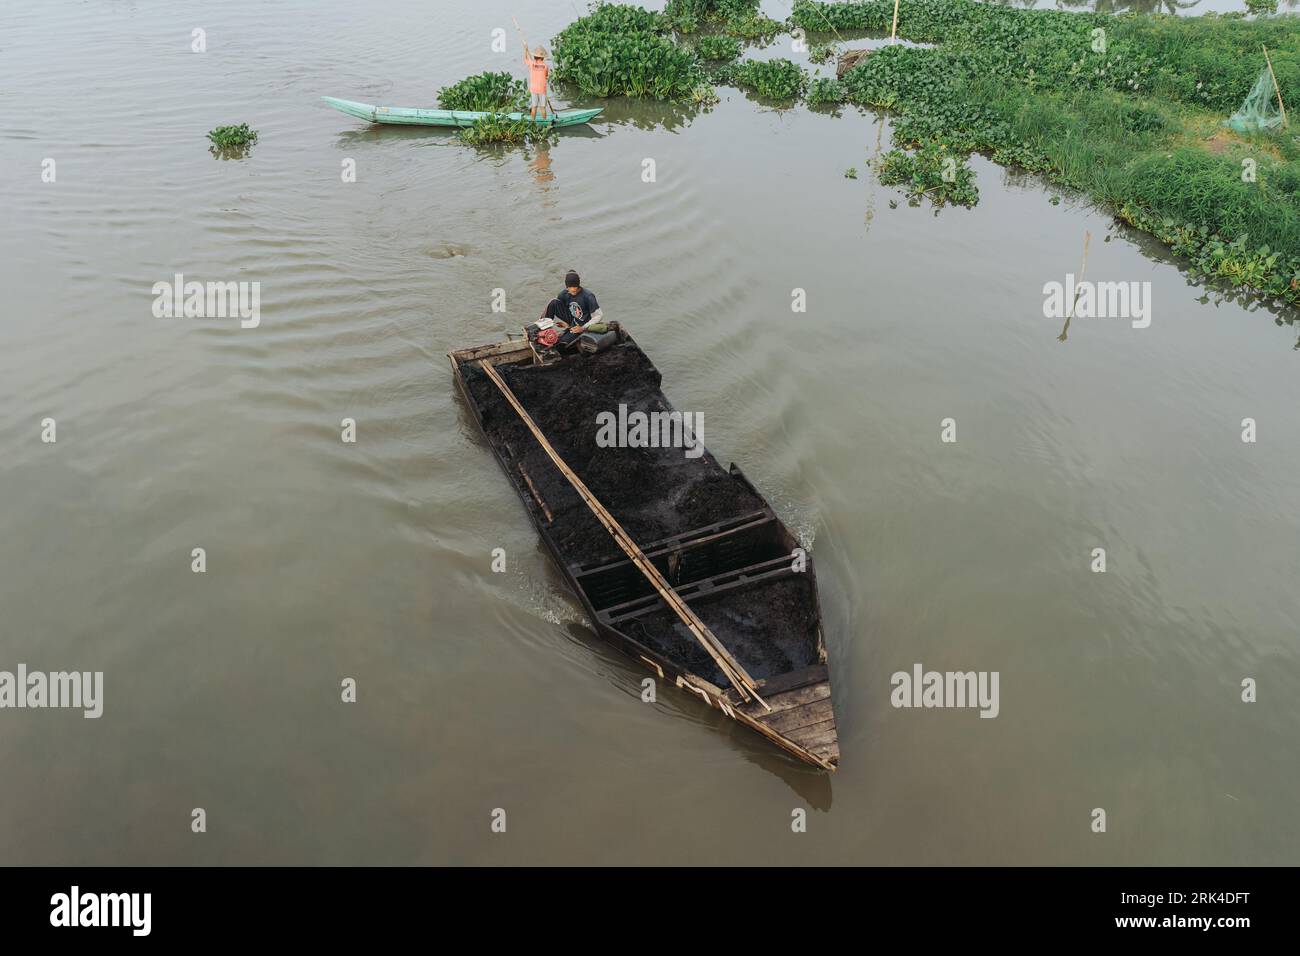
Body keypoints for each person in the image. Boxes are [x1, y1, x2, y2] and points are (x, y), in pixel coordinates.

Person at [540, 271, 602, 353]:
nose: (573, 290)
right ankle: (542, 330)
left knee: (561, 343)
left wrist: (583, 328)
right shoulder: (564, 294)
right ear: (567, 287)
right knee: (553, 302)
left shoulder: (588, 296)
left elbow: (599, 315)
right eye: (570, 288)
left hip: (583, 325)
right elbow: (560, 307)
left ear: (578, 286)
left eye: (575, 288)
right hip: (573, 320)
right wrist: (568, 324)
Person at [525, 44, 551, 122]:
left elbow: (526, 59)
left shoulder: (532, 64)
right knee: (542, 107)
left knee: (534, 107)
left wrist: (526, 50)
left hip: (534, 89)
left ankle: (532, 121)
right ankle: (545, 122)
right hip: (542, 90)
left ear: (535, 56)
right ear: (542, 57)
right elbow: (546, 76)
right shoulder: (545, 66)